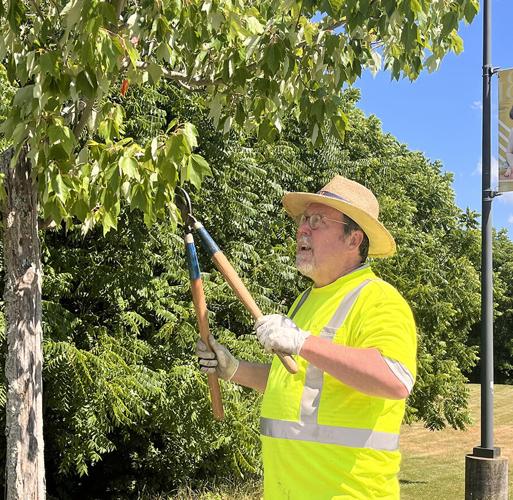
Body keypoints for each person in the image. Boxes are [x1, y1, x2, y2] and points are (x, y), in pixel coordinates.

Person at [197, 175, 417, 499]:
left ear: (354, 239)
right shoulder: (306, 300)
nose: (302, 229)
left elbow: (395, 378)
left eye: (317, 221)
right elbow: (296, 379)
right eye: (303, 220)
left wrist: (303, 342)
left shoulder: (378, 298)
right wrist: (233, 369)